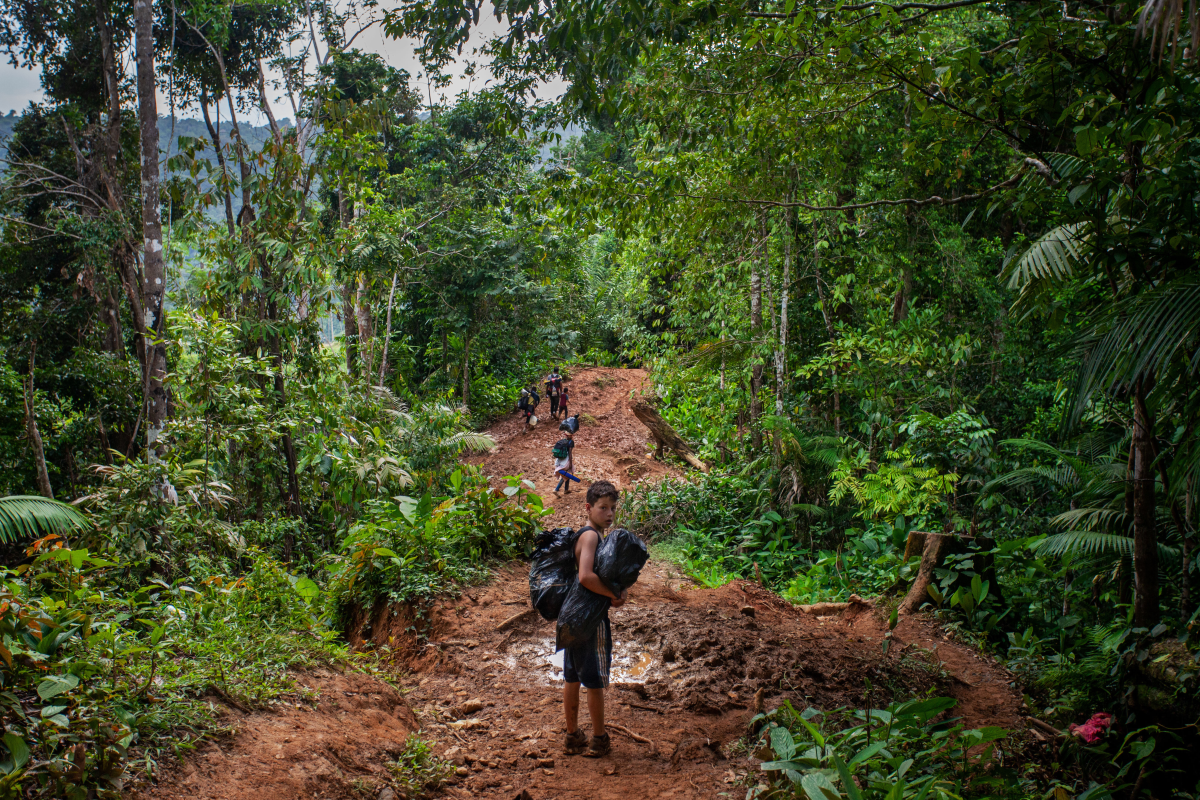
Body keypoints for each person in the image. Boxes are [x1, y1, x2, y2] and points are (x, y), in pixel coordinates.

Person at [562, 481, 624, 758]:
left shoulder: (589, 534)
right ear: (588, 508)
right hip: (589, 618)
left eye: (612, 508)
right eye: (602, 508)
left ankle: (573, 736)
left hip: (571, 615)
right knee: (595, 680)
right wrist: (613, 594)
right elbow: (585, 576)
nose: (609, 513)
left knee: (572, 677)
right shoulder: (590, 536)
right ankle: (600, 739)